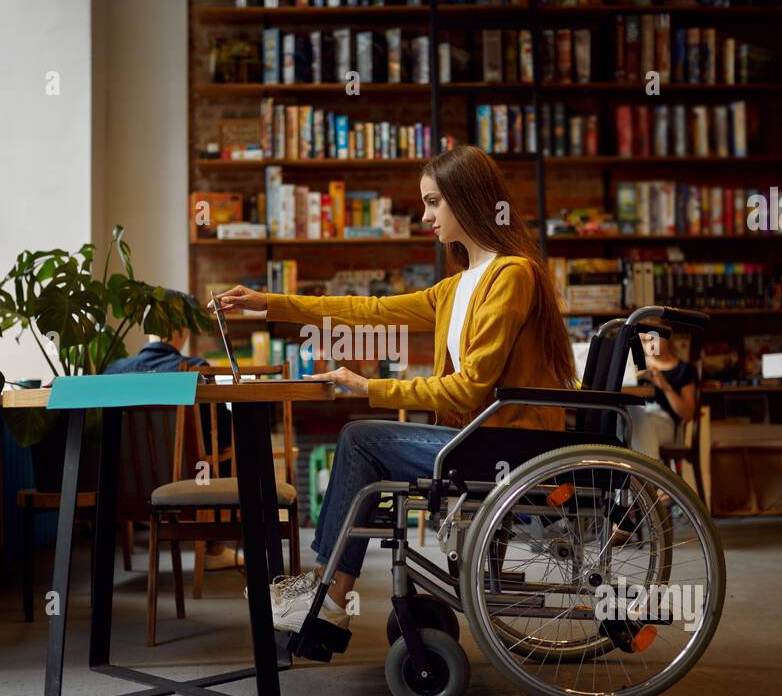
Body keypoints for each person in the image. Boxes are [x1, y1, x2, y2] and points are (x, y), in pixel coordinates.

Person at [212, 145, 577, 631]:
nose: (425, 216)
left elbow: (468, 389)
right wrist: (268, 303)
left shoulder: (511, 275)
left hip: (505, 446)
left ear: (467, 201)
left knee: (360, 439)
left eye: (433, 203)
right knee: (360, 440)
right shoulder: (460, 283)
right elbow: (372, 311)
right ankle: (330, 591)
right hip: (480, 440)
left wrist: (370, 386)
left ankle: (330, 593)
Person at [104, 303, 238, 571]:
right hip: (189, 481)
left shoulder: (114, 369)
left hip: (127, 486)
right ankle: (214, 548)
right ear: (181, 330)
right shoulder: (194, 368)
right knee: (224, 448)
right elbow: (221, 431)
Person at [629, 332, 698, 461]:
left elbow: (688, 414)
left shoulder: (684, 370)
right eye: (644, 341)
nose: (649, 345)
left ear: (666, 337)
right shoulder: (636, 368)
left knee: (638, 418)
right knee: (626, 415)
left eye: (652, 339)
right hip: (637, 418)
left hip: (666, 423)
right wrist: (634, 376)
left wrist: (666, 387)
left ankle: (649, 475)